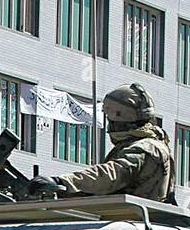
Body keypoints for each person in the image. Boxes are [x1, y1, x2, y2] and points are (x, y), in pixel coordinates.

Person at [33, 84, 175, 203]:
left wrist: (62, 182)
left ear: (118, 118)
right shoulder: (150, 143)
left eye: (109, 119)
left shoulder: (146, 147)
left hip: (129, 220)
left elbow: (110, 176)